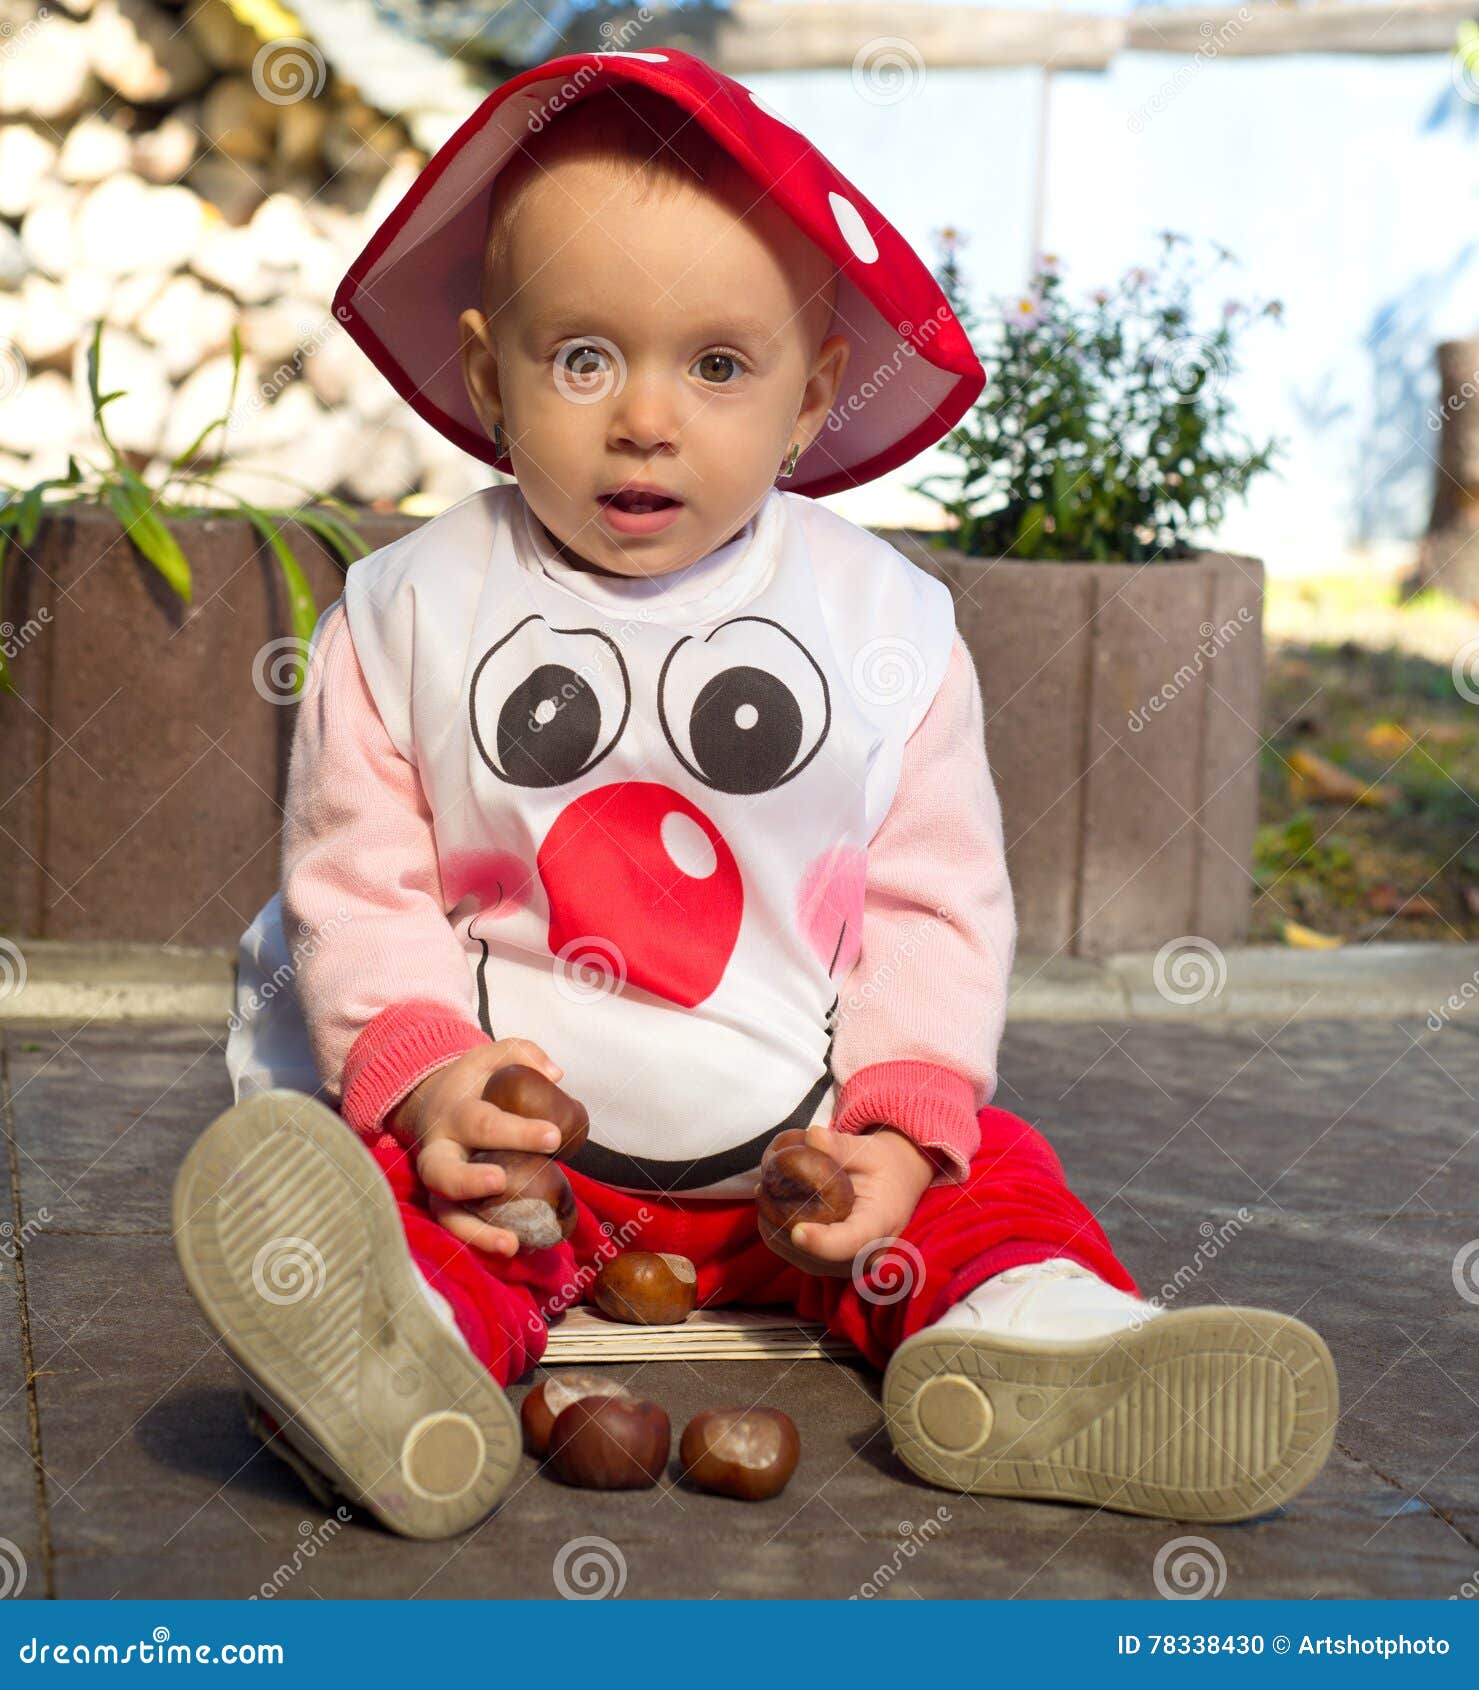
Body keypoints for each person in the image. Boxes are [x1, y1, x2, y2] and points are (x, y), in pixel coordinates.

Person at [175, 47, 1337, 1542]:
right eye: (583, 358)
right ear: (487, 377)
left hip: (808, 1177)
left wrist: (903, 1136)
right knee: (414, 1195)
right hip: (534, 1172)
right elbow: (359, 882)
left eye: (718, 366)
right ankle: (397, 1361)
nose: (645, 418)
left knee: (994, 1184)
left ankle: (1039, 1336)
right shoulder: (410, 609)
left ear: (812, 397)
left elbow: (935, 902)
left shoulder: (885, 622)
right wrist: (429, 1080)